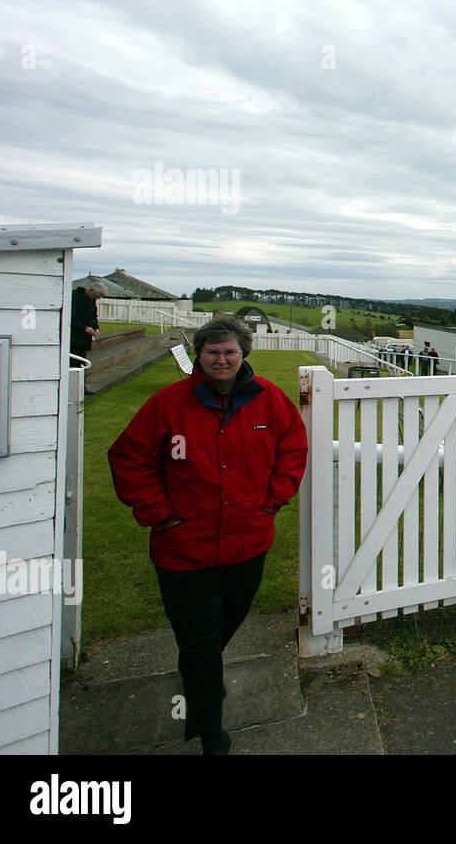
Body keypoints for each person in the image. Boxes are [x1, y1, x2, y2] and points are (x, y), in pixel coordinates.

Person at [107, 316, 308, 755]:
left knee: (217, 635)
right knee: (199, 644)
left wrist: (271, 502)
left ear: (243, 355)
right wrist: (162, 517)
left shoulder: (269, 401)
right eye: (213, 352)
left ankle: (202, 691)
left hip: (247, 546)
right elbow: (129, 459)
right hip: (183, 551)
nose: (221, 359)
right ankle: (210, 735)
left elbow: (293, 450)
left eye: (229, 352)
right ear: (200, 355)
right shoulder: (168, 403)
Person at [70, 281, 105, 367]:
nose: (99, 298)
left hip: (84, 339)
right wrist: (84, 328)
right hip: (73, 336)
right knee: (73, 360)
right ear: (92, 290)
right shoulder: (74, 297)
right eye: (98, 295)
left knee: (82, 360)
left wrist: (96, 327)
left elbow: (93, 316)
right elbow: (71, 317)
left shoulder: (92, 300)